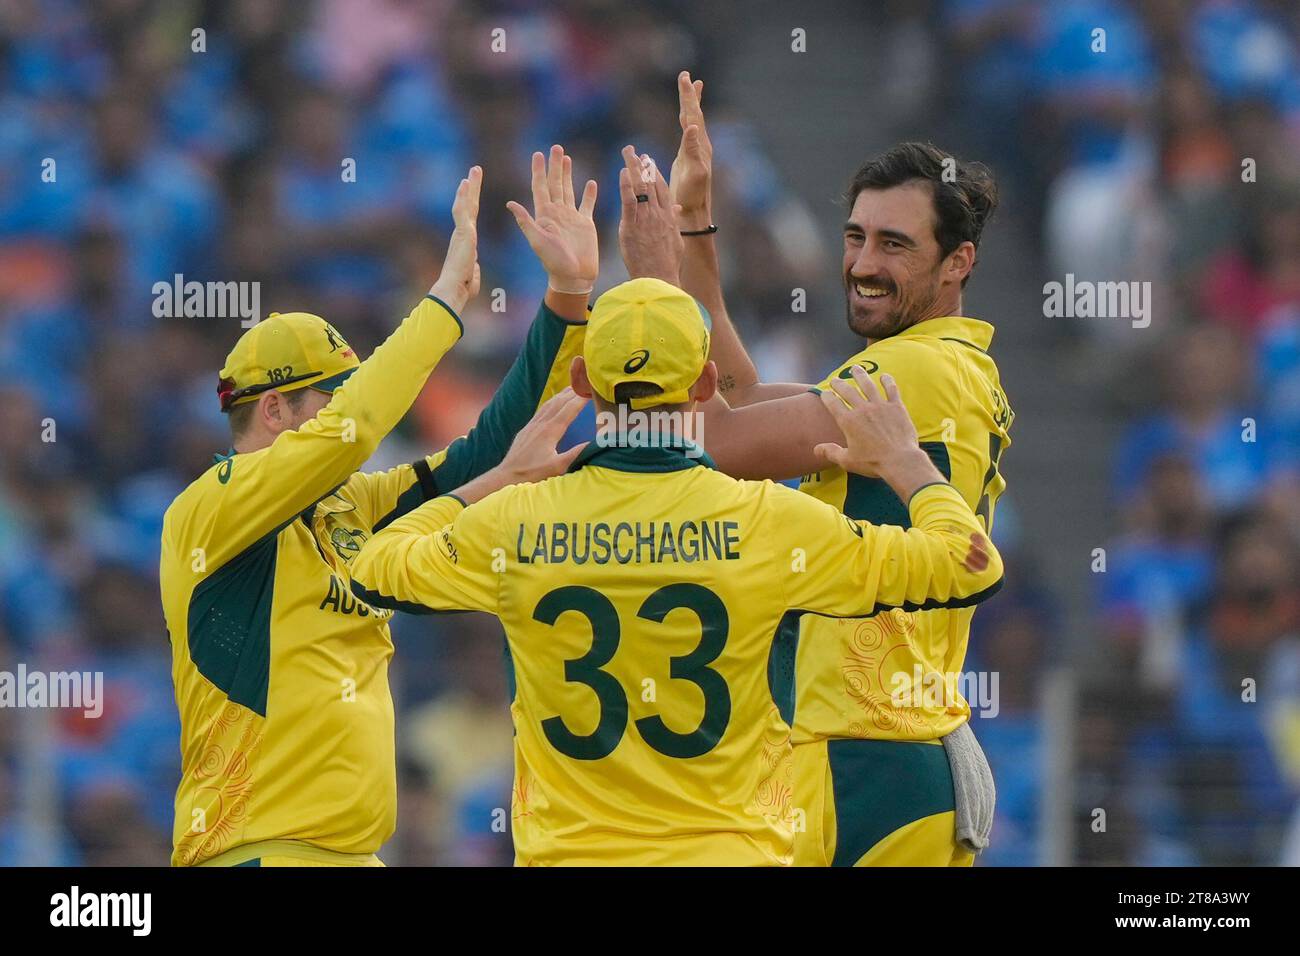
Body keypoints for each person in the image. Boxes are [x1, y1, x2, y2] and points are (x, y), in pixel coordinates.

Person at [348, 272, 1004, 866]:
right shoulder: (769, 521)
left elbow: (373, 565)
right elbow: (968, 565)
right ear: (706, 385)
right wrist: (909, 463)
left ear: (581, 383)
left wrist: (496, 479)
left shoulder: (516, 520)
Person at [160, 147, 600, 866]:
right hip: (258, 850)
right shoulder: (210, 510)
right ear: (274, 410)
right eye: (332, 393)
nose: (355, 407)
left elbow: (480, 455)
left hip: (356, 854)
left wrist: (567, 299)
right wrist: (446, 303)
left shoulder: (344, 508)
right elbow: (358, 427)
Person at [623, 72, 1015, 866]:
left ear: (958, 263)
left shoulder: (922, 370)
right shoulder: (928, 367)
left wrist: (650, 280)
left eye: (895, 245)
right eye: (856, 236)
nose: (864, 263)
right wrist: (698, 225)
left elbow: (717, 442)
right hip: (874, 749)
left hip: (865, 754)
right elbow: (734, 393)